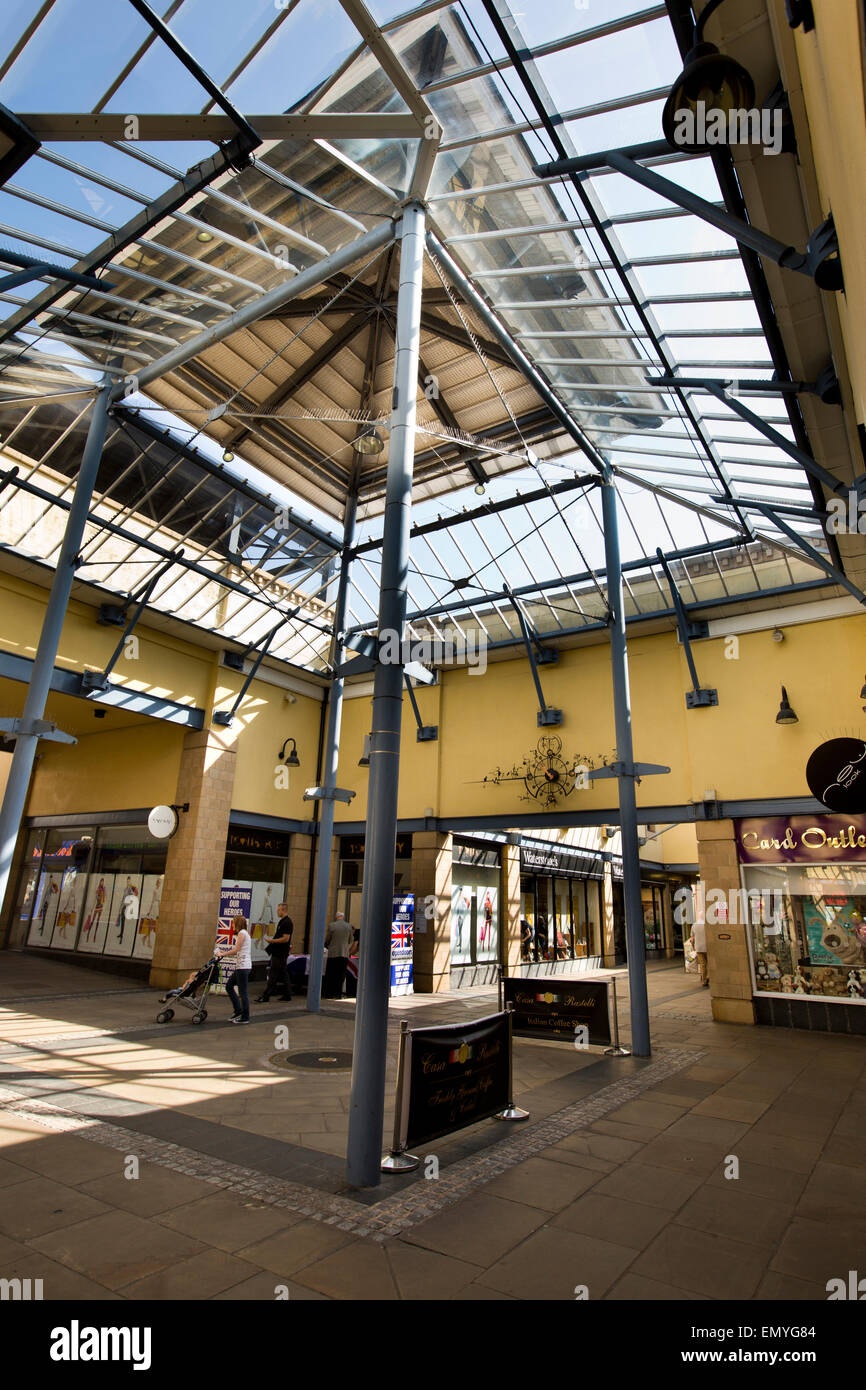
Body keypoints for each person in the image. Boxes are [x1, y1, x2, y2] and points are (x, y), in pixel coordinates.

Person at [217, 914, 253, 1022]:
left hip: (243, 966)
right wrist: (224, 952)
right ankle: (238, 1011)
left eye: (233, 923)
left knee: (243, 992)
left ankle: (245, 1017)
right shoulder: (244, 933)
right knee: (229, 986)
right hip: (241, 965)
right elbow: (238, 950)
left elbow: (236, 949)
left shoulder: (242, 933)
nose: (232, 925)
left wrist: (222, 954)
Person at [256, 902, 294, 1002]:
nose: (277, 911)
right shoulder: (282, 921)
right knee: (282, 972)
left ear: (283, 910)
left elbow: (285, 938)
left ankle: (266, 995)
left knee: (273, 973)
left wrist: (272, 941)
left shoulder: (287, 922)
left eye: (279, 910)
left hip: (280, 952)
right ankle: (287, 994)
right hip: (279, 951)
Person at [324, 910, 354, 998]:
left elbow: (327, 939)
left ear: (336, 917)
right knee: (341, 975)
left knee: (331, 974)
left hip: (333, 953)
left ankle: (329, 993)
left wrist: (327, 945)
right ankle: (338, 993)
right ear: (343, 917)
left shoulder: (332, 925)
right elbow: (350, 940)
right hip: (344, 953)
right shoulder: (348, 926)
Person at [691, 918, 709, 987]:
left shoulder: (694, 925)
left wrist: (693, 948)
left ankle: (704, 981)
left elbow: (692, 939)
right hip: (707, 947)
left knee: (703, 964)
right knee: (709, 963)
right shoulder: (706, 925)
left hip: (699, 948)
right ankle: (708, 977)